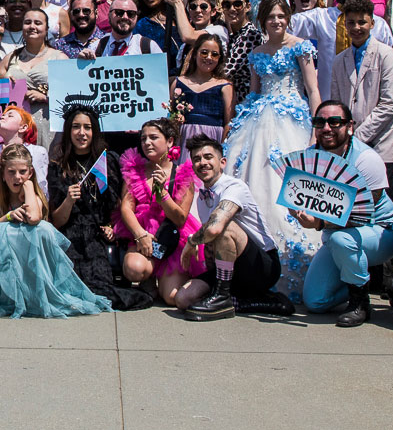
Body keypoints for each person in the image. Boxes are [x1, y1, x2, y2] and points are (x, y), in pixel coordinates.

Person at [221, 0, 320, 299]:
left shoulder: (301, 47)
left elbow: (313, 89)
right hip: (257, 120)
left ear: (288, 17)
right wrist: (237, 126)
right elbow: (252, 92)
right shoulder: (256, 53)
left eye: (281, 16)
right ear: (262, 20)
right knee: (255, 180)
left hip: (291, 120)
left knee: (287, 184)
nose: (277, 22)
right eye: (271, 17)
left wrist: (317, 127)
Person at [0, 143, 111, 318]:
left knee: (42, 229)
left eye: (23, 172)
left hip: (31, 262)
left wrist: (29, 187)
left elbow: (33, 218)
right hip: (5, 263)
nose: (17, 177)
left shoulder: (34, 192)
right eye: (11, 172)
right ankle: (9, 297)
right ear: (1, 172)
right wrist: (7, 217)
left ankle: (35, 294)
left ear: (30, 172)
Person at [296, 100, 393, 326]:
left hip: (382, 230)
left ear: (350, 126)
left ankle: (359, 302)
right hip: (338, 236)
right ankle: (364, 279)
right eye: (320, 122)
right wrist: (296, 209)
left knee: (340, 239)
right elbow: (296, 196)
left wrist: (320, 223)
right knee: (315, 302)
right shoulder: (309, 157)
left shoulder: (366, 159)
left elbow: (364, 213)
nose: (327, 128)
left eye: (334, 122)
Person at [166, 137, 287, 319]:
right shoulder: (202, 196)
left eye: (208, 157)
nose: (202, 163)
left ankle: (222, 297)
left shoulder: (234, 187)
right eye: (197, 159)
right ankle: (260, 302)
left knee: (224, 227)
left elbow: (215, 229)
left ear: (222, 162)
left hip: (261, 266)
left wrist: (192, 241)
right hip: (229, 268)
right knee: (183, 299)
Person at [47, 105, 149, 311]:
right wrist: (68, 200)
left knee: (99, 289)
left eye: (87, 127)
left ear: (94, 131)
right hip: (70, 234)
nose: (81, 133)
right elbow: (57, 221)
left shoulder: (107, 160)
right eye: (76, 127)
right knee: (72, 288)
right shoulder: (58, 165)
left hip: (97, 234)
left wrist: (113, 227)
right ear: (68, 131)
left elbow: (118, 204)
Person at [115, 118, 201, 299]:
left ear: (170, 141)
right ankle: (148, 278)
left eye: (153, 137)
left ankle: (174, 280)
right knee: (134, 269)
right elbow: (126, 208)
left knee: (172, 297)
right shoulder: (135, 170)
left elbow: (179, 218)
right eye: (143, 139)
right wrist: (140, 234)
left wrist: (162, 194)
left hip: (171, 238)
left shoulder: (183, 174)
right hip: (143, 236)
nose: (147, 142)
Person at [290, 0, 391, 102]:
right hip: (329, 102)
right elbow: (286, 25)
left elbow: (388, 66)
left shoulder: (379, 25)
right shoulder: (321, 17)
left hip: (367, 104)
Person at [329, 0, 393, 179]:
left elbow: (390, 104)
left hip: (381, 143)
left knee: (381, 203)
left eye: (362, 22)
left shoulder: (386, 54)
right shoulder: (339, 60)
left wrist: (358, 136)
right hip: (349, 148)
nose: (356, 28)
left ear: (372, 23)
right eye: (351, 23)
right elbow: (337, 105)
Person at [170, 32, 234, 147]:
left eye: (214, 54)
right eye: (204, 53)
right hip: (184, 139)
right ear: (195, 54)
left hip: (212, 141)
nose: (209, 57)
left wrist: (222, 150)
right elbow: (169, 116)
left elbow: (229, 123)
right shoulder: (178, 82)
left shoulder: (225, 86)